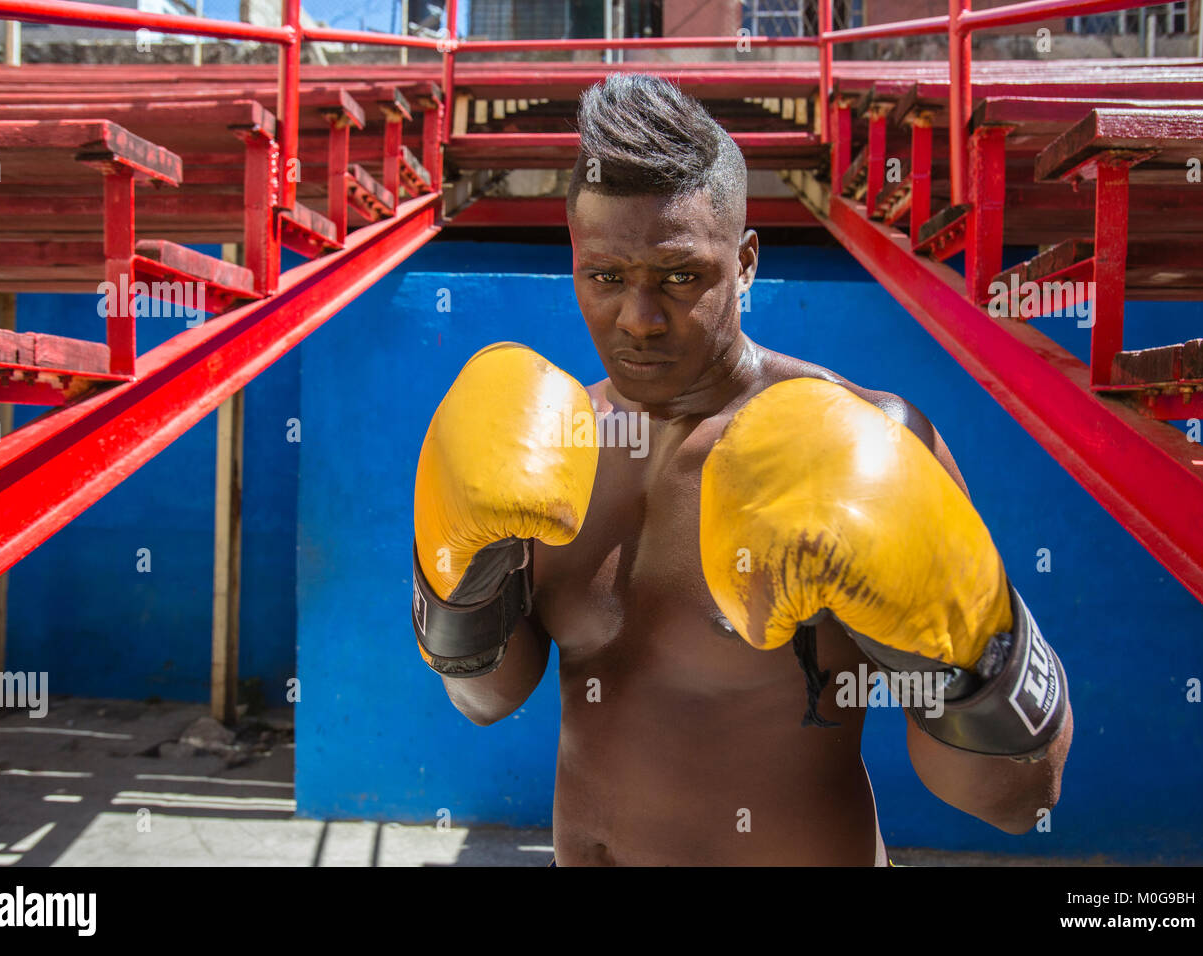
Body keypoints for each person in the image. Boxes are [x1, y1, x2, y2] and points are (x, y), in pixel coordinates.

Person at [411, 73, 1072, 866]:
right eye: (606, 277)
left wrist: (971, 658)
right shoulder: (543, 446)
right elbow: (486, 699)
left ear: (746, 262)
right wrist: (461, 591)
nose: (639, 318)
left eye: (680, 276)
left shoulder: (861, 442)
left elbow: (1013, 798)